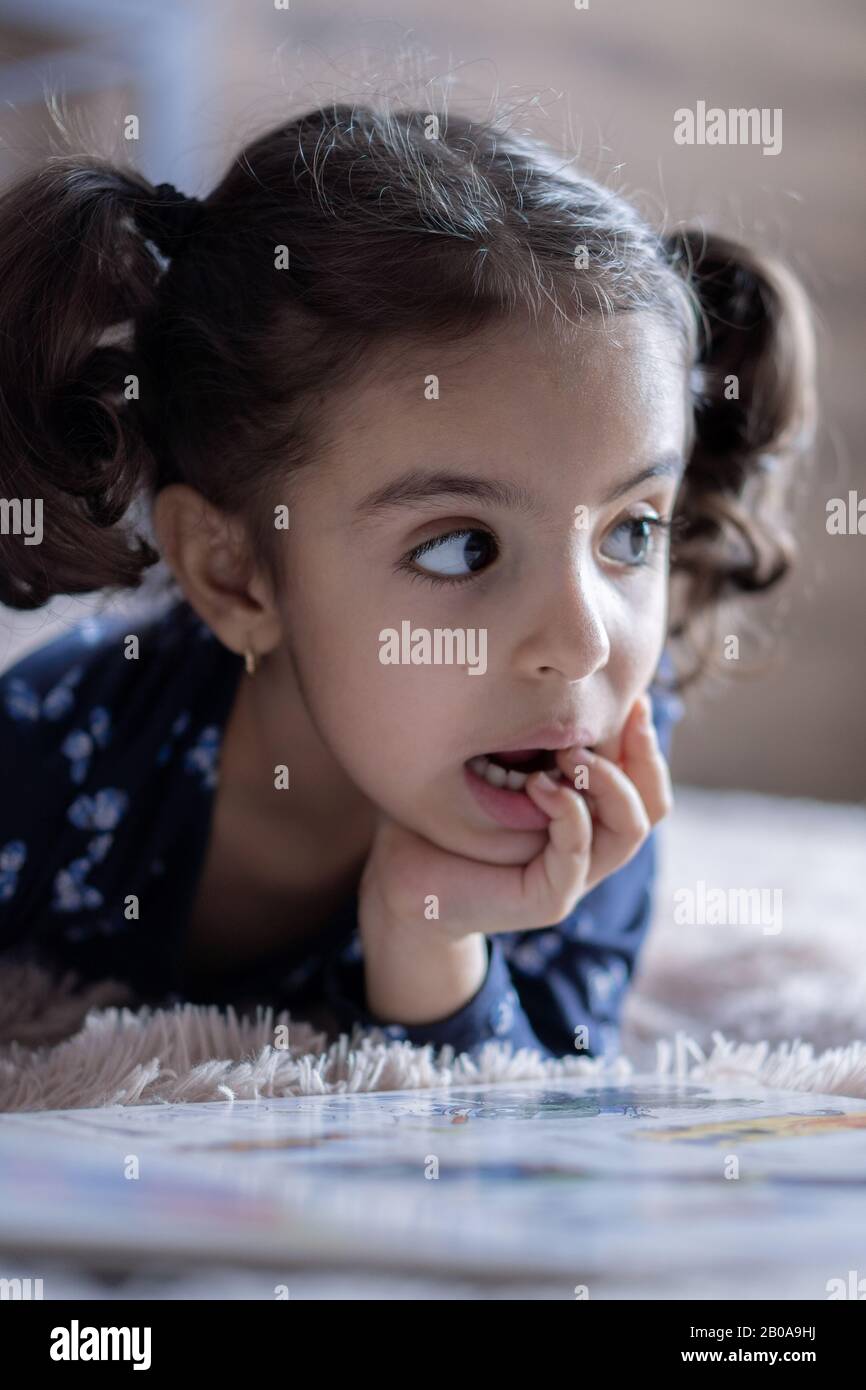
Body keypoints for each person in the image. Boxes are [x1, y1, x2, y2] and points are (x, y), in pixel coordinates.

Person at [0, 102, 816, 1060]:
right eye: (463, 548)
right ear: (236, 576)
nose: (582, 642)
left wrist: (430, 933)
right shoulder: (53, 754)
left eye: (630, 534)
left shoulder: (593, 796)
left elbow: (533, 1126)